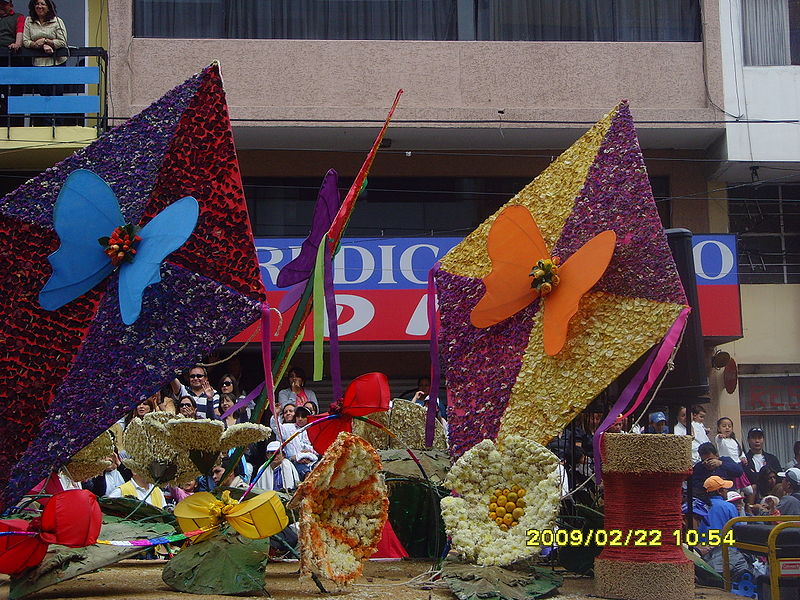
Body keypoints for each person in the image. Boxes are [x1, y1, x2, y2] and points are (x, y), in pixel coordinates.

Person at [285, 405, 319, 479]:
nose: (300, 419)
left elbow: (319, 448)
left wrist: (310, 452)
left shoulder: (315, 430)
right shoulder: (288, 427)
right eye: (298, 416)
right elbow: (276, 428)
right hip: (293, 461)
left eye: (303, 417)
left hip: (311, 461)